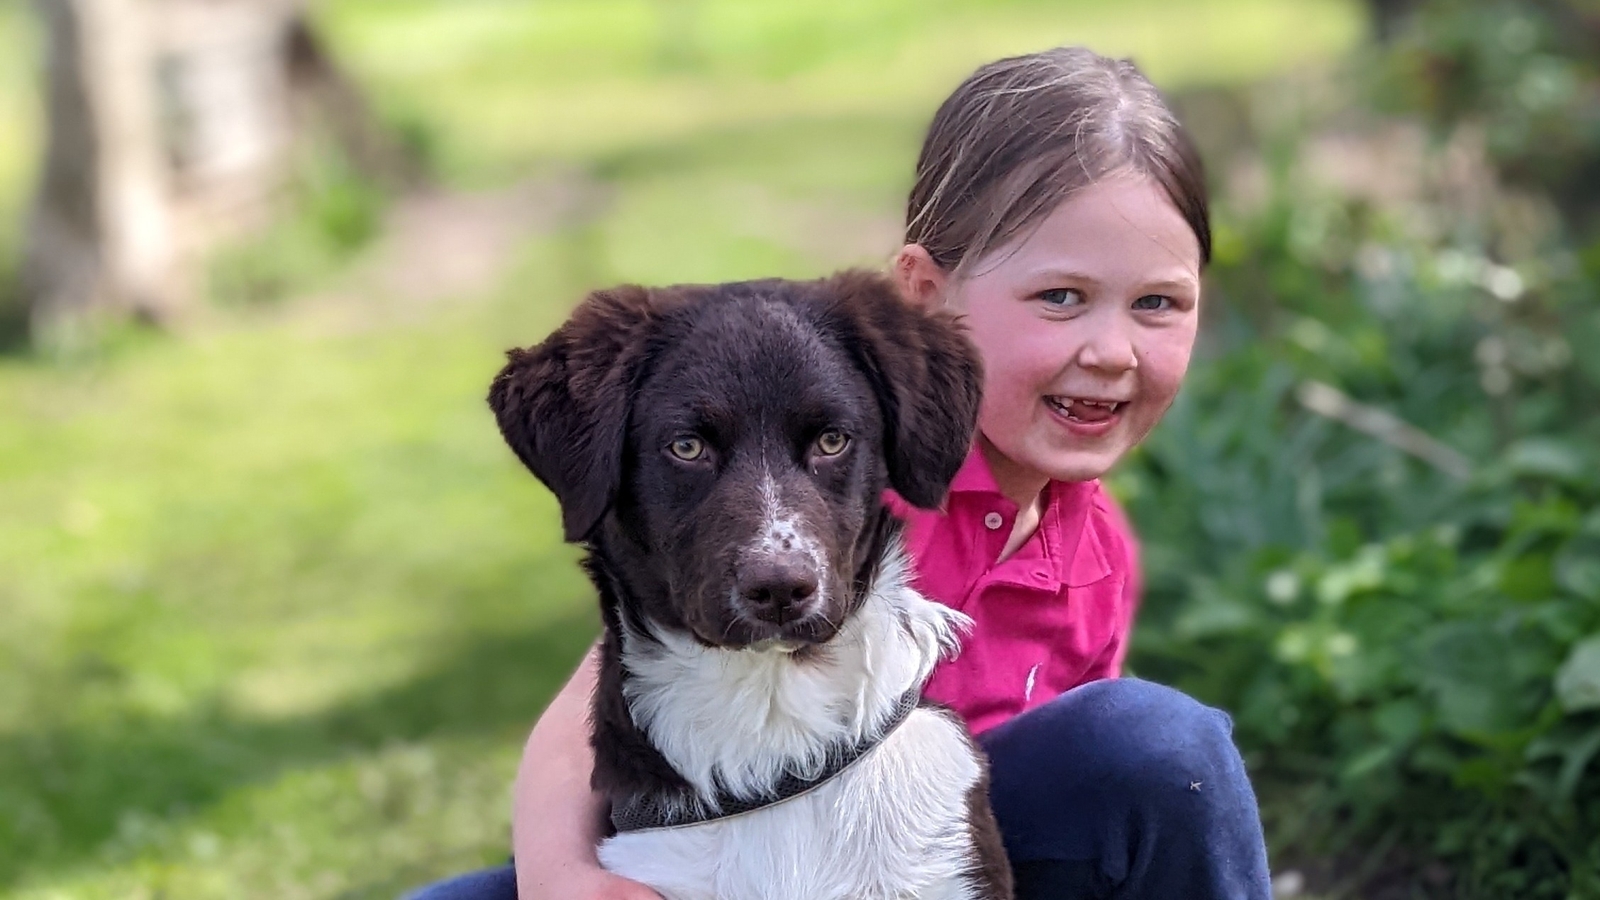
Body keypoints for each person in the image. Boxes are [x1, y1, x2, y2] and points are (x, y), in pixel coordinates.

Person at [410, 45, 1272, 900]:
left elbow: (1106, 797)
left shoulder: (1095, 551)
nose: (1110, 351)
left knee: (1155, 743)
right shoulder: (880, 487)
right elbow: (589, 717)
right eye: (1060, 297)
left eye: (1156, 302)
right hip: (711, 838)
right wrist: (562, 878)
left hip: (934, 850)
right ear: (926, 293)